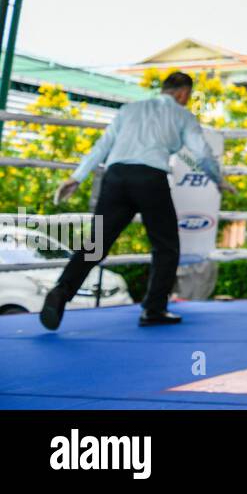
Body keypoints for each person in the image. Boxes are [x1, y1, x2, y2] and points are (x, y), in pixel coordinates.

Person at [41, 71, 231, 330]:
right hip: (150, 178)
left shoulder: (129, 110)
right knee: (166, 246)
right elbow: (200, 151)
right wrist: (217, 179)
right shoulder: (182, 115)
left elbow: (103, 145)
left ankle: (60, 293)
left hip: (116, 176)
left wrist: (77, 177)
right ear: (183, 93)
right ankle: (154, 309)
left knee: (96, 244)